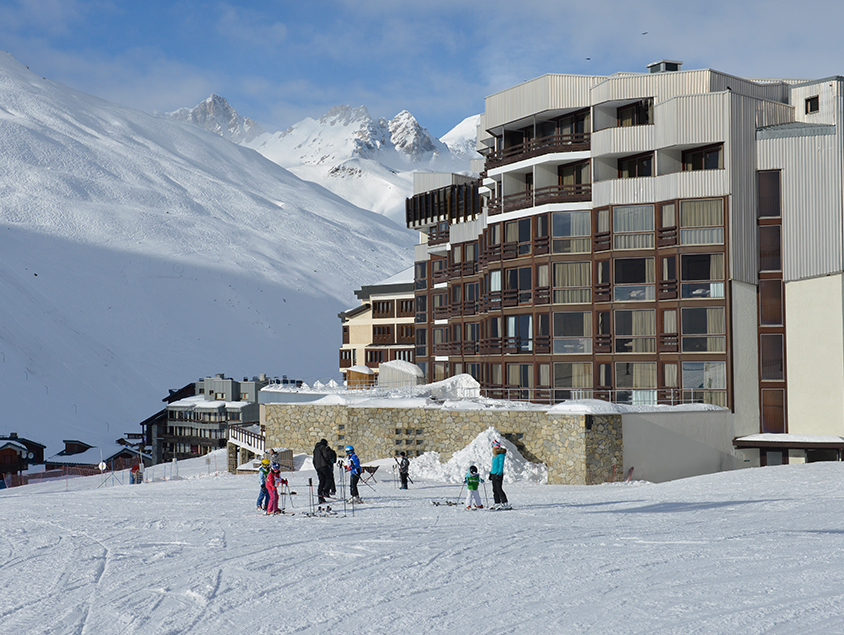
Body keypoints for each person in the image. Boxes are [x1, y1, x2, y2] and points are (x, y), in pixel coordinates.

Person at [490, 439, 510, 510]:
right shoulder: (494, 455)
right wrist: (491, 473)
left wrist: (499, 474)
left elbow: (500, 466)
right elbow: (494, 465)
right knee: (494, 489)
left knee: (499, 489)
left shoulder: (500, 455)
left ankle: (505, 502)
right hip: (494, 474)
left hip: (498, 475)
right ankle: (497, 502)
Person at [313, 439, 336, 503]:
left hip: (318, 467)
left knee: (321, 481)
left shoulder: (315, 449)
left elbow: (314, 460)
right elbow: (326, 456)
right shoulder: (322, 447)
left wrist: (316, 467)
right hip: (324, 466)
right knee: (329, 478)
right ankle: (325, 492)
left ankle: (320, 497)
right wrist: (328, 463)